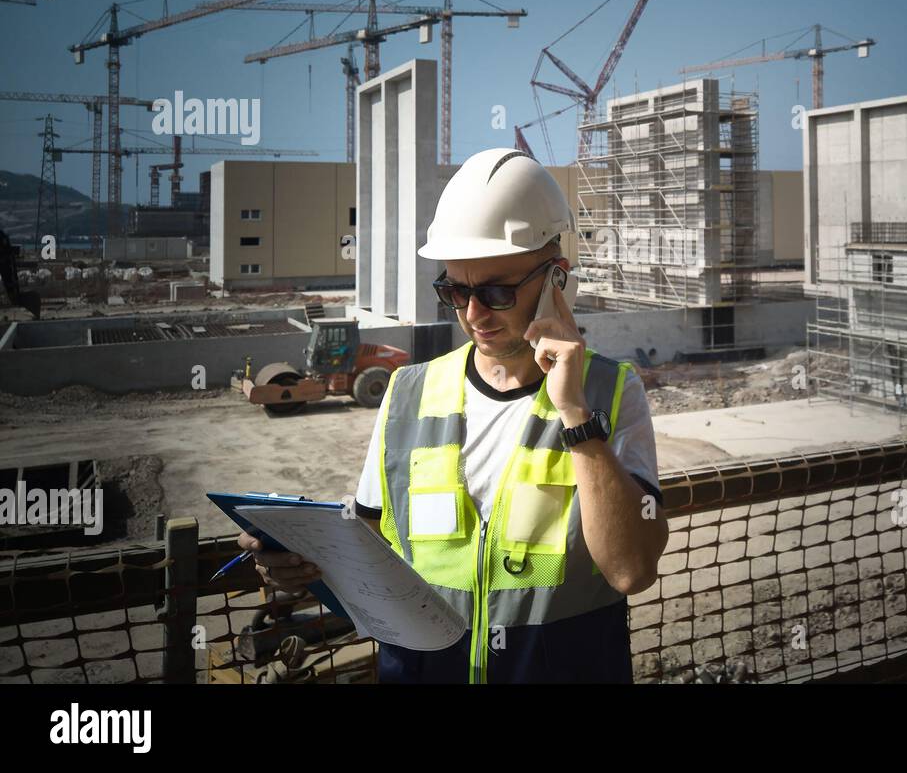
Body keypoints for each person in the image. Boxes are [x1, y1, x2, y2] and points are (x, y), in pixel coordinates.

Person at [239, 148, 668, 683]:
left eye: (496, 292)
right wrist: (299, 566)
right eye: (455, 290)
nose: (473, 314)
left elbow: (630, 570)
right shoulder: (408, 393)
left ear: (557, 279)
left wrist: (575, 414)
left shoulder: (611, 392)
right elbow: (372, 557)